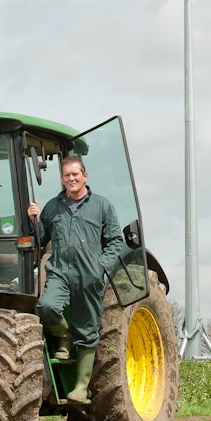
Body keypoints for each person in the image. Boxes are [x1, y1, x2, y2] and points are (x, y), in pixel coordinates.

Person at [28, 156, 123, 404]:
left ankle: (80, 388)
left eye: (75, 174)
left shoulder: (102, 206)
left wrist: (101, 266)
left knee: (88, 327)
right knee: (47, 306)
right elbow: (39, 239)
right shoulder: (52, 207)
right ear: (62, 179)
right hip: (59, 269)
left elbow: (115, 240)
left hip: (88, 273)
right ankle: (64, 336)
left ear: (85, 176)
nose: (71, 179)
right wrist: (34, 220)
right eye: (66, 175)